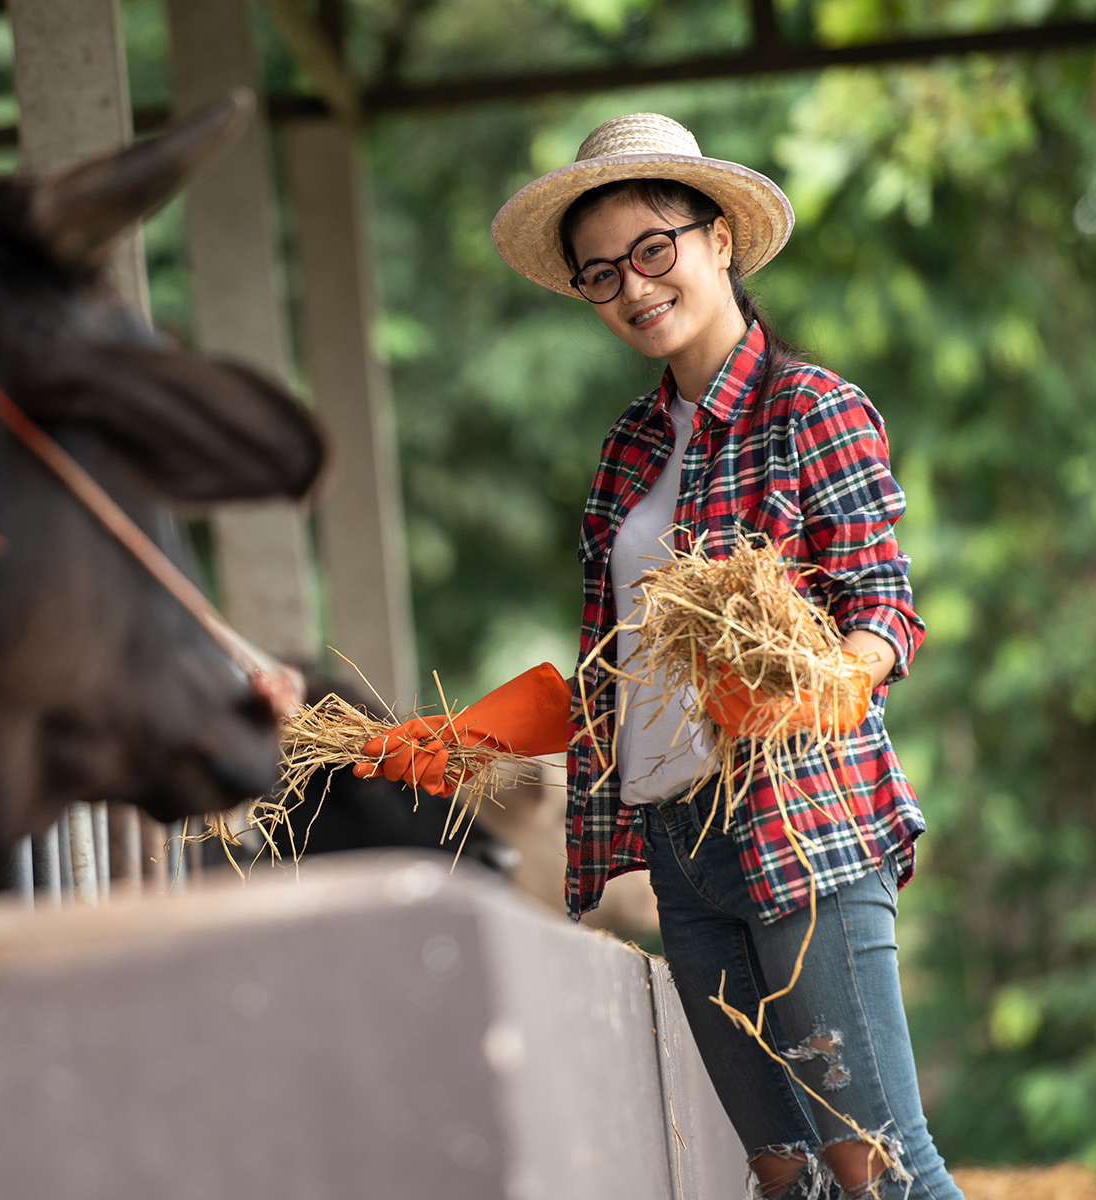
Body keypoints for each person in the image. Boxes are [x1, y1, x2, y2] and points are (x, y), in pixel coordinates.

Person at [354, 113, 961, 1200]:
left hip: (800, 826)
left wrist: (812, 691)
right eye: (601, 274)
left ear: (718, 238)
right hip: (683, 848)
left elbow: (884, 611)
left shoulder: (812, 411)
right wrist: (468, 735)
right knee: (787, 1178)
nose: (633, 288)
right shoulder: (630, 450)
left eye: (652, 250)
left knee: (880, 1170)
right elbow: (612, 675)